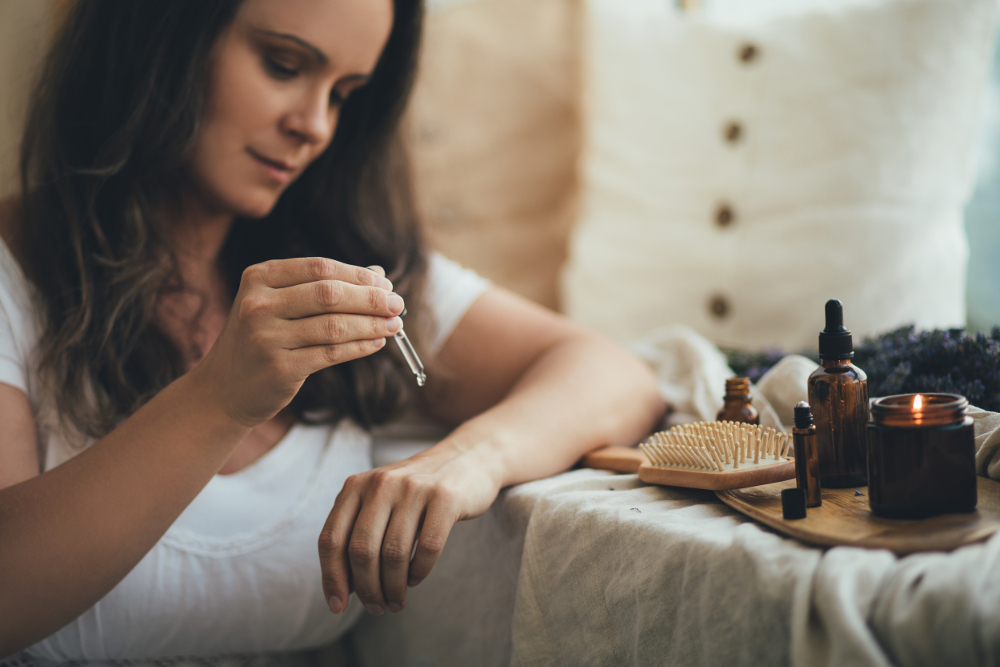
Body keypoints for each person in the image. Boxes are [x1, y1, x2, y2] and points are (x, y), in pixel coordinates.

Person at [0, 0, 664, 661]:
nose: (314, 126)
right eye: (283, 65)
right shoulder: (13, 274)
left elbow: (613, 374)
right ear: (161, 32)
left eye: (345, 95)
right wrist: (220, 398)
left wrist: (465, 462)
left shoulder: (340, 265)